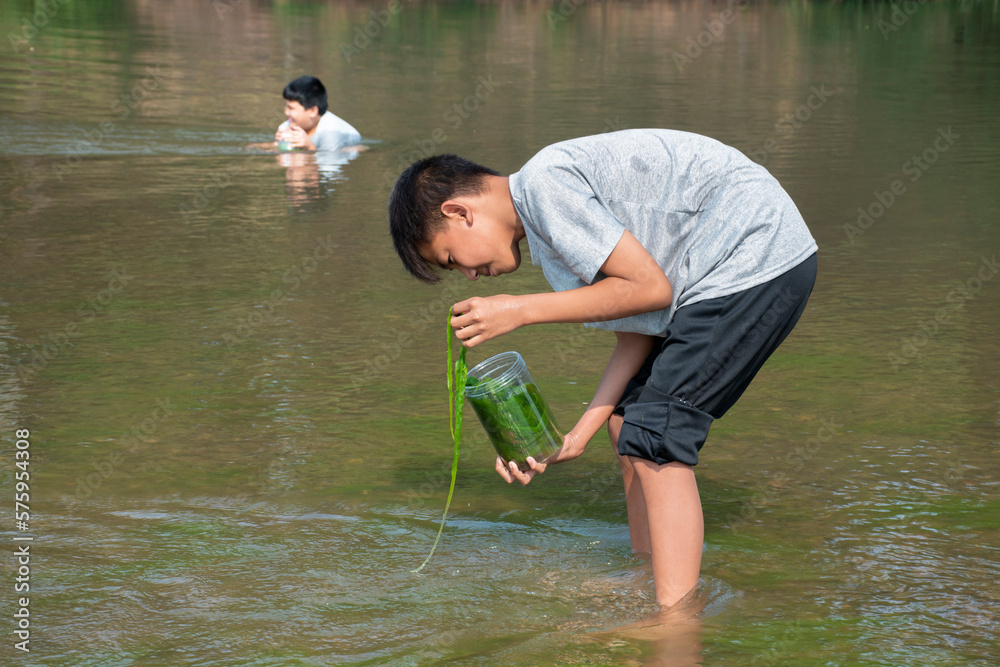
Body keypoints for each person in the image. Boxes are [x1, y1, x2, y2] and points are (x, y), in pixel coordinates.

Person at [387, 128, 818, 609]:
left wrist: (519, 309)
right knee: (627, 424)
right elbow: (641, 327)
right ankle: (647, 577)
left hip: (753, 254)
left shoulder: (545, 185)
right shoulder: (548, 232)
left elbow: (651, 288)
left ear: (459, 212)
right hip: (738, 265)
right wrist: (580, 434)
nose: (467, 275)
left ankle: (675, 621)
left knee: (656, 435)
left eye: (451, 259)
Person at [273, 75, 362, 152]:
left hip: (347, 148)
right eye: (286, 106)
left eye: (291, 108)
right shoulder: (289, 125)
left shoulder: (331, 132)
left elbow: (327, 165)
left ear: (312, 111)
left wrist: (309, 148)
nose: (286, 112)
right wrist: (279, 142)